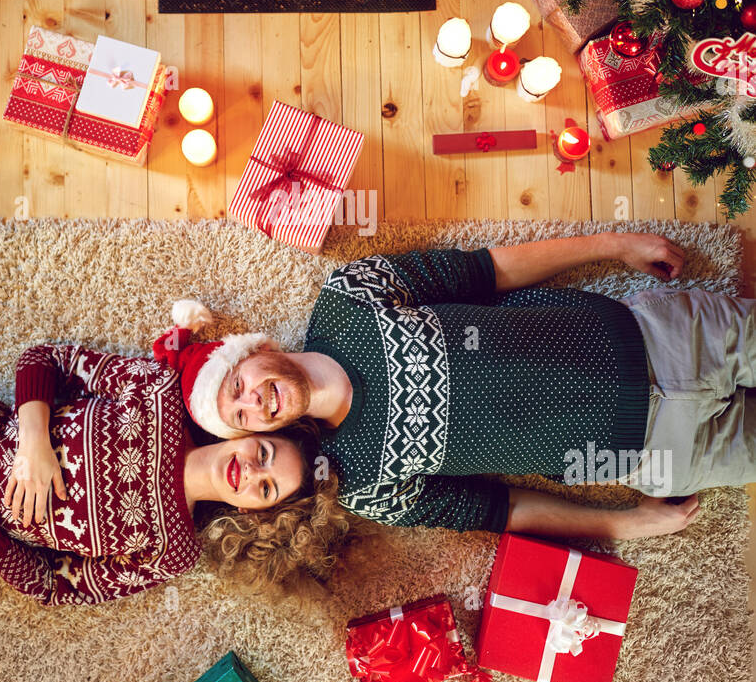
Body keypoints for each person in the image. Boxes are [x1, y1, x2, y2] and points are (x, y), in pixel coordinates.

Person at [155, 231, 755, 542]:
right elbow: (503, 509)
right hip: (655, 455)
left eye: (238, 384)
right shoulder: (359, 484)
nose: (251, 402)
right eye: (242, 417)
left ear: (255, 352)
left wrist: (615, 245)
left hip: (655, 336)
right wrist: (627, 523)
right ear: (259, 434)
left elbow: (489, 269)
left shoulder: (348, 298)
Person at [0, 317, 351, 605]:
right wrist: (34, 442)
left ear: (255, 514)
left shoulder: (174, 553)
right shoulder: (159, 392)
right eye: (265, 453)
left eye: (265, 489)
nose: (251, 472)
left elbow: (53, 586)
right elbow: (46, 359)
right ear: (252, 430)